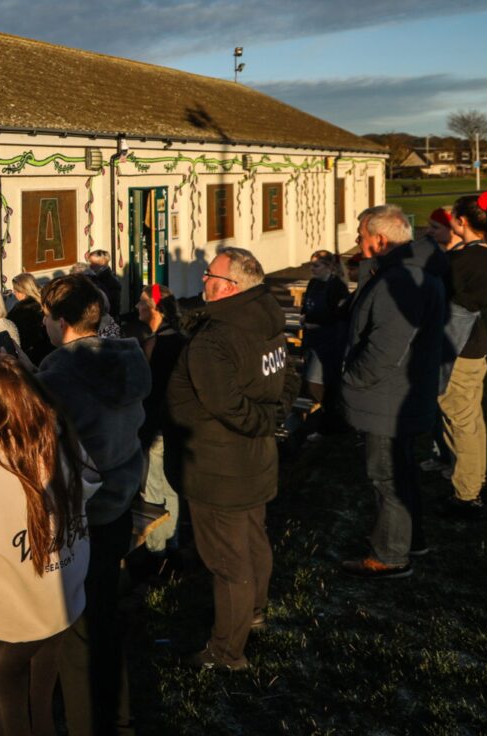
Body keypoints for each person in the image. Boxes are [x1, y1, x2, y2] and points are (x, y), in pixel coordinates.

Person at [0, 355, 98, 736]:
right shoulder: (64, 445)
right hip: (58, 610)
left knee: (5, 725)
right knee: (40, 714)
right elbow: (92, 484)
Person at [165, 249, 291, 670]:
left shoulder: (216, 337)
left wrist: (263, 421)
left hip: (219, 466)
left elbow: (228, 405)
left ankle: (226, 652)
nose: (202, 281)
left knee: (227, 561)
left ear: (230, 286)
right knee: (253, 537)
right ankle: (253, 611)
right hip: (253, 460)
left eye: (208, 275)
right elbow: (283, 378)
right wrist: (272, 419)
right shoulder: (266, 318)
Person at [34, 274, 148, 733]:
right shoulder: (127, 357)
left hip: (81, 511)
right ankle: (119, 714)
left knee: (75, 629)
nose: (42, 323)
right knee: (102, 611)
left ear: (60, 321)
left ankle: (85, 721)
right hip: (120, 503)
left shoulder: (59, 373)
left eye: (44, 316)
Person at [339, 205, 447, 578]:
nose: (357, 240)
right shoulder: (405, 271)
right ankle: (411, 539)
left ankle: (389, 555)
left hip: (388, 398)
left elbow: (385, 348)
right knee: (401, 471)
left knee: (386, 478)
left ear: (380, 239)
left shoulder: (401, 279)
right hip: (400, 394)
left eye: (361, 234)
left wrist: (351, 378)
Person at [438, 192, 487, 512]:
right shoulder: (484, 253)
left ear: (462, 221)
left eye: (453, 214)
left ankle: (466, 494)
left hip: (459, 346)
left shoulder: (464, 258)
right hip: (473, 345)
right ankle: (473, 479)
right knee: (471, 420)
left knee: (461, 422)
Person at [125, 284, 186, 554]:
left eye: (142, 302)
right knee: (171, 481)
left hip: (155, 424)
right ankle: (172, 540)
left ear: (155, 308)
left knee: (152, 485)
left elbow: (143, 387)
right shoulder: (183, 339)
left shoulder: (153, 344)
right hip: (176, 422)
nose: (137, 307)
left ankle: (155, 549)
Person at [300, 250, 351, 430]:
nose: (312, 269)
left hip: (329, 341)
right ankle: (324, 420)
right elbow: (307, 305)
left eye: (316, 265)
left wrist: (317, 323)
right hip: (312, 338)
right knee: (311, 382)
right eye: (311, 265)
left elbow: (339, 315)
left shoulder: (337, 287)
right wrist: (305, 317)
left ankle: (331, 422)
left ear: (329, 267)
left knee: (320, 383)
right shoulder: (313, 283)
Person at [7, 273, 52, 366]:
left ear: (22, 291)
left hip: (30, 357)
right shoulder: (46, 302)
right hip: (50, 352)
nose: (14, 294)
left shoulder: (20, 310)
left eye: (15, 291)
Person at [81, 250, 123, 316]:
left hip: (105, 318)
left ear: (102, 263)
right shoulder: (92, 275)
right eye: (89, 263)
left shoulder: (111, 281)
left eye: (92, 263)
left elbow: (114, 306)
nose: (90, 266)